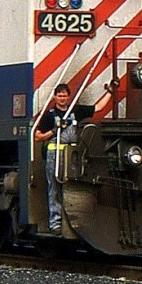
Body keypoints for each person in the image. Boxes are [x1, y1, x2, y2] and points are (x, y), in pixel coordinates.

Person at [34, 80, 115, 233]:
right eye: (59, 96)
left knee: (71, 186)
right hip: (54, 154)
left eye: (64, 95)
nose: (62, 98)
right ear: (55, 97)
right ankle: (55, 223)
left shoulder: (75, 110)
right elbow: (38, 137)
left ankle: (71, 221)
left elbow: (98, 108)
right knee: (54, 188)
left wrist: (110, 91)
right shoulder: (49, 115)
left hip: (72, 154)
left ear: (68, 97)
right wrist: (54, 130)